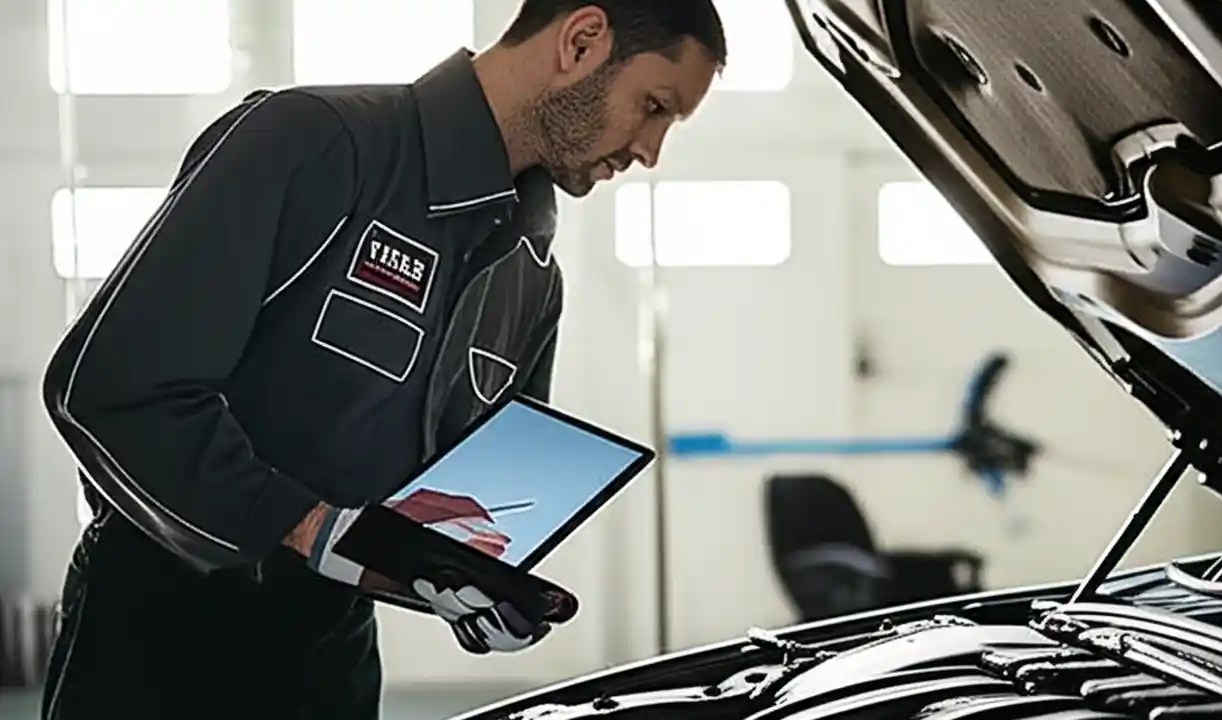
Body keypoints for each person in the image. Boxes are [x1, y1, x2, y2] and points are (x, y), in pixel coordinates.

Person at [37, 1, 727, 718]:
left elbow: (462, 506)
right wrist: (302, 525)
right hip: (161, 641)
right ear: (582, 42)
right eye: (653, 106)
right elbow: (110, 386)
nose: (650, 151)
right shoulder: (313, 144)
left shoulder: (533, 278)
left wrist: (468, 576)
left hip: (332, 658)